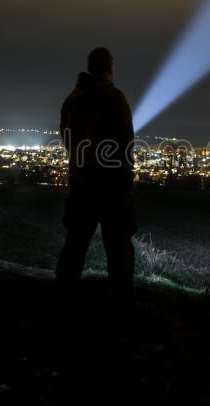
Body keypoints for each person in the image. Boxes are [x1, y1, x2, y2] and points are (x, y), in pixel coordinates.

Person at [56, 47, 136, 310]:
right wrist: (125, 179)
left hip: (81, 183)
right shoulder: (114, 97)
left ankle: (64, 300)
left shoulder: (72, 100)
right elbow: (124, 144)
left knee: (75, 246)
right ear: (110, 67)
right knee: (119, 249)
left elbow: (66, 138)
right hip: (111, 186)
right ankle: (121, 306)